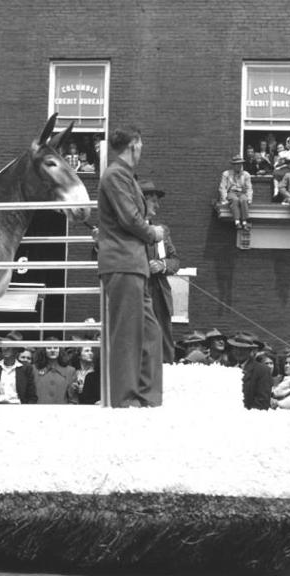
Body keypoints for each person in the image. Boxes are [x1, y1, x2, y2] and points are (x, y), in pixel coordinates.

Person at [96, 125, 165, 408]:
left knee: (150, 332)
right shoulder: (116, 176)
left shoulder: (120, 176)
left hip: (132, 264)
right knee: (127, 334)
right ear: (134, 145)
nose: (141, 151)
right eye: (141, 146)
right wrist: (153, 233)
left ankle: (146, 397)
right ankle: (124, 400)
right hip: (124, 262)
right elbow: (129, 218)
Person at [139, 179, 180, 364]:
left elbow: (175, 261)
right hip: (136, 292)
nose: (158, 205)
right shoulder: (126, 229)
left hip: (158, 293)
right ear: (141, 201)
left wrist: (162, 266)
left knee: (163, 339)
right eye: (153, 200)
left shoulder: (162, 230)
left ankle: (165, 375)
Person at [0, 332, 37, 404]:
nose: (5, 348)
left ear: (16, 349)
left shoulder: (26, 368)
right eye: (4, 345)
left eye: (9, 346)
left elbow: (32, 396)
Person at [227, 332, 272, 410]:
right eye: (236, 348)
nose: (239, 352)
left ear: (250, 350)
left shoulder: (262, 371)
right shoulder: (229, 368)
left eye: (243, 349)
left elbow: (262, 402)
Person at [32, 338, 77, 404]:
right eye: (49, 348)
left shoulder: (70, 371)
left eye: (56, 347)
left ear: (60, 350)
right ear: (44, 350)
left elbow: (73, 398)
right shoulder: (34, 369)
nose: (52, 350)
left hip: (62, 411)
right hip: (39, 410)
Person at [219, 154, 253, 231]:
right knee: (235, 200)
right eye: (237, 164)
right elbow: (222, 187)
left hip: (241, 192)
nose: (239, 166)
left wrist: (250, 198)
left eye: (240, 164)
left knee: (244, 200)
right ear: (233, 165)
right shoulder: (226, 174)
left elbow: (249, 188)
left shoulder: (246, 174)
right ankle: (237, 221)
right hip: (231, 192)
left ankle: (244, 222)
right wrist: (224, 199)